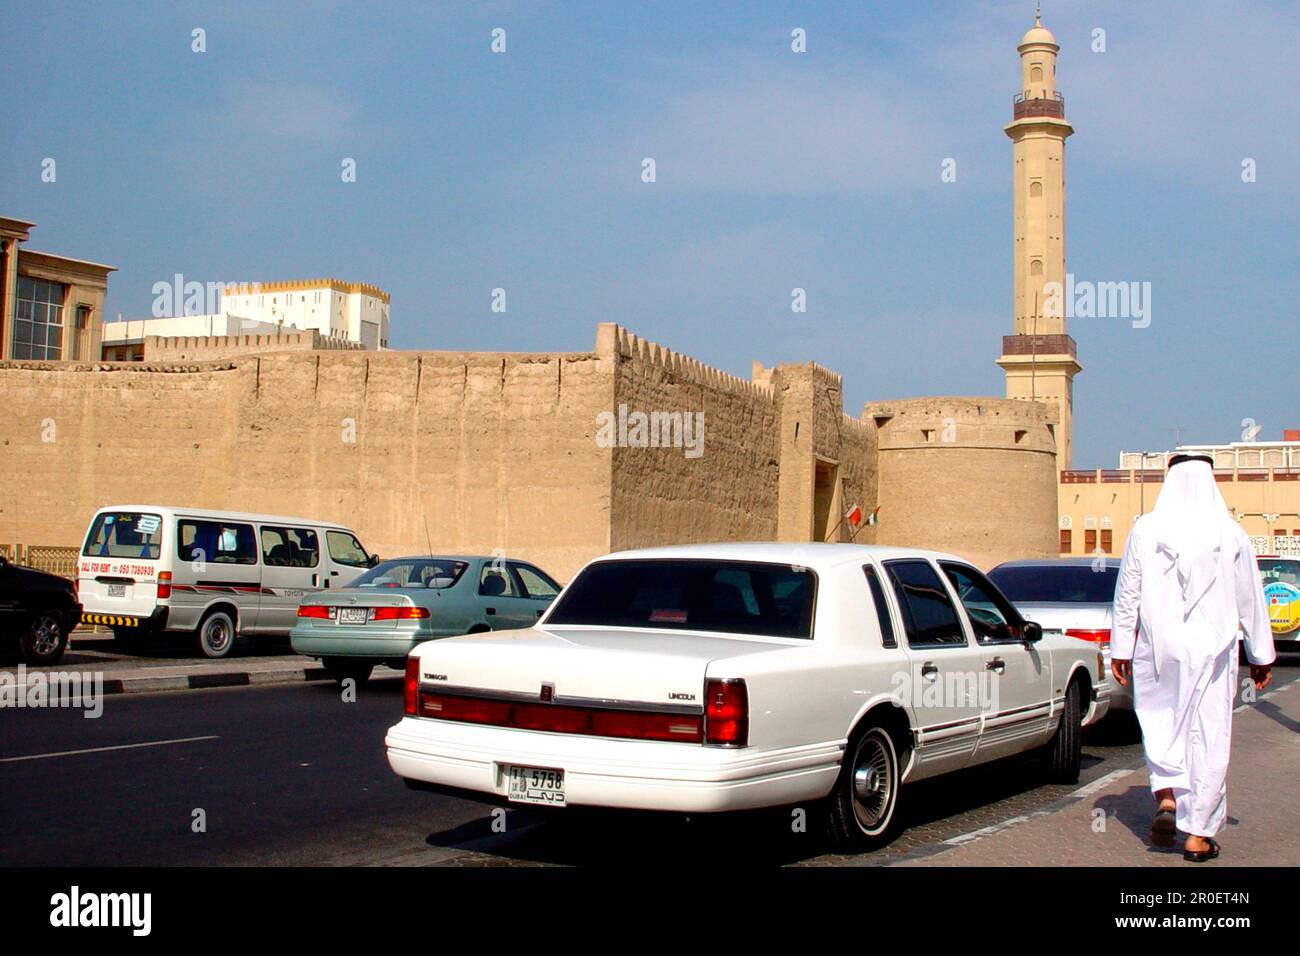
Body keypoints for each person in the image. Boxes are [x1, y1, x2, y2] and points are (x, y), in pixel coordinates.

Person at [1109, 454, 1274, 861]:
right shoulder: (1229, 532)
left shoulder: (1145, 530)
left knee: (1163, 724)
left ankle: (1167, 797)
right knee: (1209, 735)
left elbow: (1128, 592)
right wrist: (1261, 655)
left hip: (1158, 649)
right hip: (1213, 653)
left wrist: (1121, 648)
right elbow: (1249, 596)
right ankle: (1198, 833)